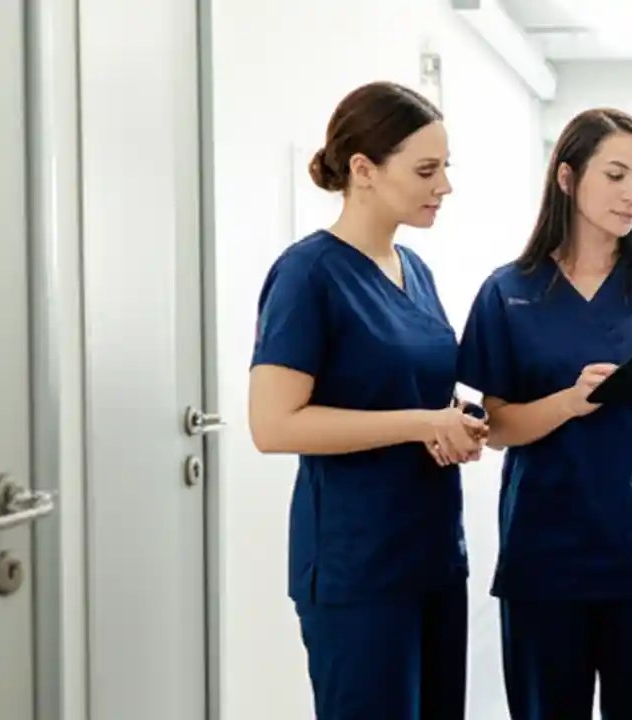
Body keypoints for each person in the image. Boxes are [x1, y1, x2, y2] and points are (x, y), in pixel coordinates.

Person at [456, 108, 632, 719]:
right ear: (568, 179)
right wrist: (571, 402)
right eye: (616, 175)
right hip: (547, 552)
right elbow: (496, 430)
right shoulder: (509, 291)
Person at [248, 81, 487, 720]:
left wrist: (456, 421)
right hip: (358, 567)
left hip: (433, 553)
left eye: (446, 169)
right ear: (363, 170)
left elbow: (416, 390)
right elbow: (273, 425)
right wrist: (419, 423)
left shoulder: (417, 270)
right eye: (426, 170)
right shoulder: (308, 275)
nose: (444, 186)